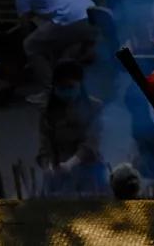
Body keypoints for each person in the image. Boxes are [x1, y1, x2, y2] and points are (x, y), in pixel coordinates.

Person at [14, 0, 96, 101]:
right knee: (56, 48)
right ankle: (66, 89)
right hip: (92, 18)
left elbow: (24, 24)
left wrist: (28, 56)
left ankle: (50, 93)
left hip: (71, 18)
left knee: (30, 45)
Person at [36, 59, 106, 195]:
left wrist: (71, 163)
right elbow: (44, 145)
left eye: (70, 87)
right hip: (58, 172)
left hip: (88, 168)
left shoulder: (94, 107)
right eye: (61, 88)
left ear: (80, 86)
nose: (66, 92)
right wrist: (48, 165)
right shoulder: (47, 111)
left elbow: (91, 143)